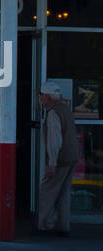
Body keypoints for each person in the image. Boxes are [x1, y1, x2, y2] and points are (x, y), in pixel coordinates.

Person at [38, 81, 79, 236]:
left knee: (48, 191)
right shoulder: (65, 110)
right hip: (72, 157)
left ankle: (44, 226)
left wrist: (52, 163)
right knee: (64, 193)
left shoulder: (53, 113)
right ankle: (63, 226)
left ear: (47, 97)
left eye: (41, 95)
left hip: (60, 159)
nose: (41, 98)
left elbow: (55, 141)